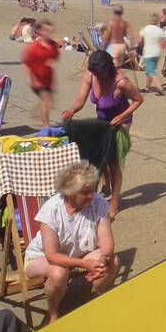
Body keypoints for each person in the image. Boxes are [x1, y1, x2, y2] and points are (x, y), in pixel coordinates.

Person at [23, 163, 118, 325]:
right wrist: (85, 264)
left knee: (112, 261)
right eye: (85, 192)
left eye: (92, 190)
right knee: (59, 273)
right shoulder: (51, 210)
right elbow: (52, 256)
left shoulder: (98, 202)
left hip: (78, 252)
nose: (91, 196)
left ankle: (93, 296)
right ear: (69, 192)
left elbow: (107, 241)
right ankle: (53, 313)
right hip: (41, 257)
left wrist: (102, 259)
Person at [61, 51, 143, 220]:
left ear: (108, 69)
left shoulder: (121, 82)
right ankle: (105, 186)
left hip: (120, 123)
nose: (96, 76)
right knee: (100, 157)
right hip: (102, 122)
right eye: (94, 72)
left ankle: (114, 203)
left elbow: (138, 99)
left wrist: (122, 116)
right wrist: (72, 110)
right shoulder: (90, 75)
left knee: (113, 164)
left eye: (99, 73)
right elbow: (80, 99)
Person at [22, 19, 61, 125]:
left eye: (50, 31)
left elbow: (55, 57)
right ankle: (46, 126)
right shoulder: (34, 47)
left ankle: (38, 113)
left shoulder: (53, 45)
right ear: (40, 31)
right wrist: (30, 79)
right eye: (45, 31)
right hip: (37, 79)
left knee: (49, 101)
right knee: (46, 100)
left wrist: (51, 62)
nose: (47, 33)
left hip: (48, 78)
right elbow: (25, 63)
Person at [138, 14, 166, 96]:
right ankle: (147, 87)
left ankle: (160, 88)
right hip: (157, 53)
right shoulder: (159, 30)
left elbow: (139, 40)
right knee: (150, 71)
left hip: (148, 52)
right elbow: (163, 42)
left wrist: (142, 43)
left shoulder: (145, 29)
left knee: (151, 71)